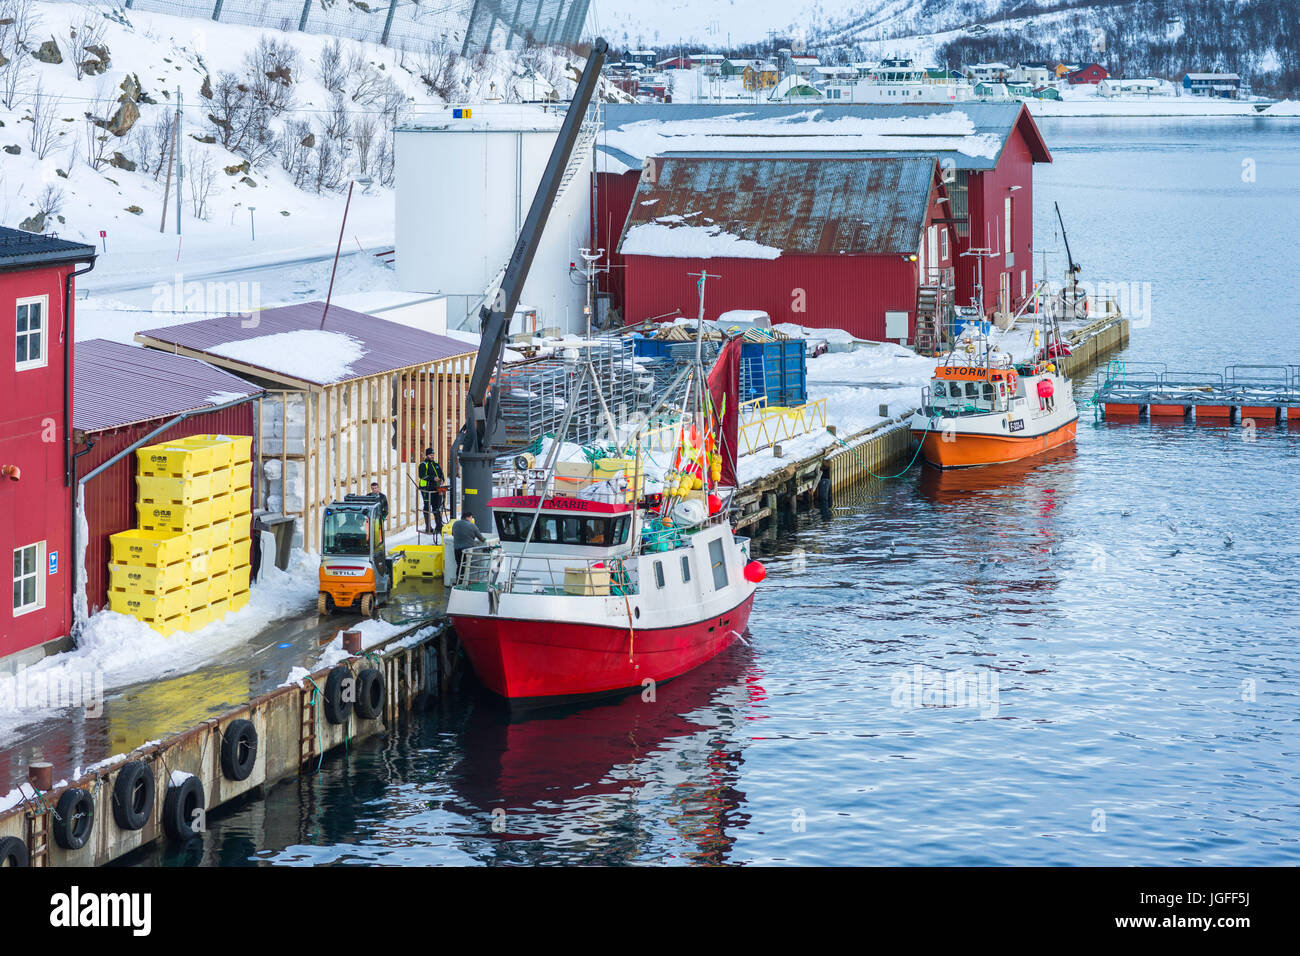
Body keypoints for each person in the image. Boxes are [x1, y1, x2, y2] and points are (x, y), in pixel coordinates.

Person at [417, 447, 445, 536]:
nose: (432, 456)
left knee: (436, 506)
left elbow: (441, 473)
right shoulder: (423, 464)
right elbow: (422, 476)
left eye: (433, 455)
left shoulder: (436, 464)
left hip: (436, 489)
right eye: (430, 455)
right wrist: (433, 478)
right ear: (426, 455)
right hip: (426, 489)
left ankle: (439, 526)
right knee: (427, 506)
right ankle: (428, 527)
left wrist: (442, 479)